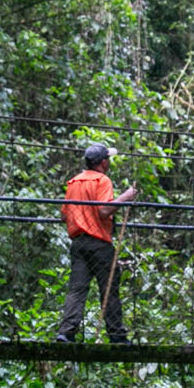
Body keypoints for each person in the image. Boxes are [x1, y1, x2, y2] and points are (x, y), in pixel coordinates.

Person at [54, 142, 139, 344]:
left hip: (79, 244)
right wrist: (126, 197)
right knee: (109, 289)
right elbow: (103, 210)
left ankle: (66, 332)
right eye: (108, 159)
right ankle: (116, 335)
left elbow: (64, 215)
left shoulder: (73, 182)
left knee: (77, 288)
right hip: (99, 244)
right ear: (102, 162)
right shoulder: (102, 180)